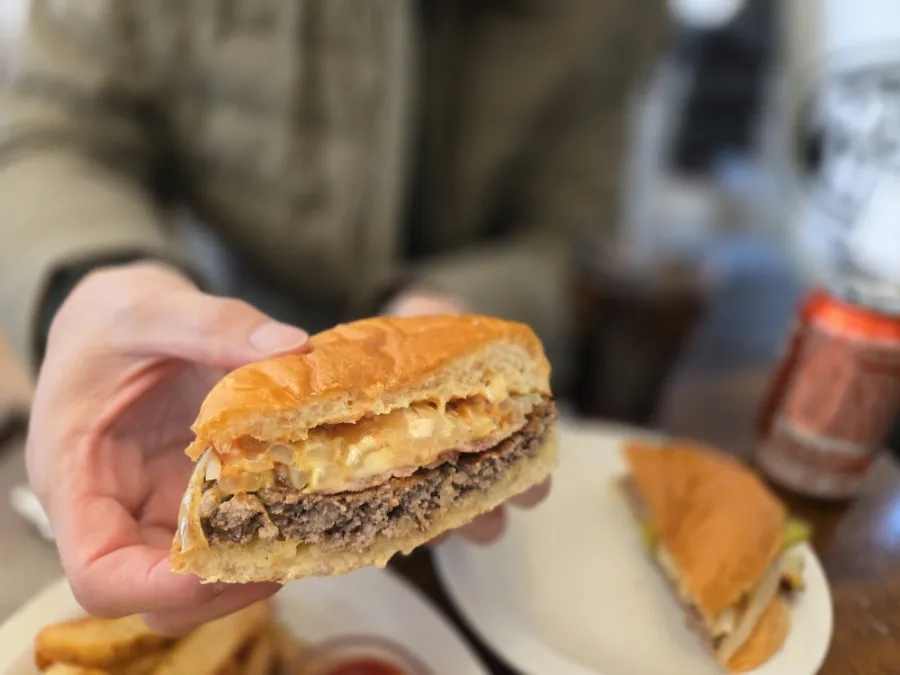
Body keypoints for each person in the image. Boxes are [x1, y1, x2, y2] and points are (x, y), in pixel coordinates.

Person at [0, 0, 666, 634]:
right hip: (208, 364)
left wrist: (450, 315)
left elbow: (574, 234)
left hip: (478, 360)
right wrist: (95, 275)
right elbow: (50, 132)